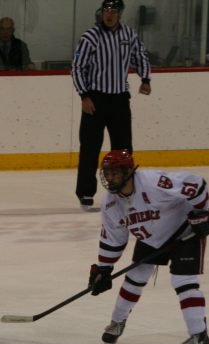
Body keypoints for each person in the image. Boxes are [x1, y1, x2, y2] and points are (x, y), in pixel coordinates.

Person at [88, 149, 209, 344]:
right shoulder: (110, 202)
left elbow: (196, 185)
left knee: (183, 280)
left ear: (129, 171)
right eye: (107, 173)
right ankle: (117, 323)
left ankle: (199, 334)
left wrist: (201, 214)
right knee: (135, 277)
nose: (110, 178)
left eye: (115, 173)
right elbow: (113, 238)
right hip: (150, 237)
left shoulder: (155, 182)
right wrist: (103, 268)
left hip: (185, 231)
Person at [71, 0, 151, 210]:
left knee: (124, 149)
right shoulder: (90, 37)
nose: (109, 14)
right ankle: (86, 192)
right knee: (89, 147)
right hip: (95, 100)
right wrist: (84, 95)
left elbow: (140, 55)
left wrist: (145, 79)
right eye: (106, 10)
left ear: (120, 14)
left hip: (119, 100)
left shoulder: (129, 35)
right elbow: (77, 67)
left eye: (113, 11)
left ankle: (125, 189)